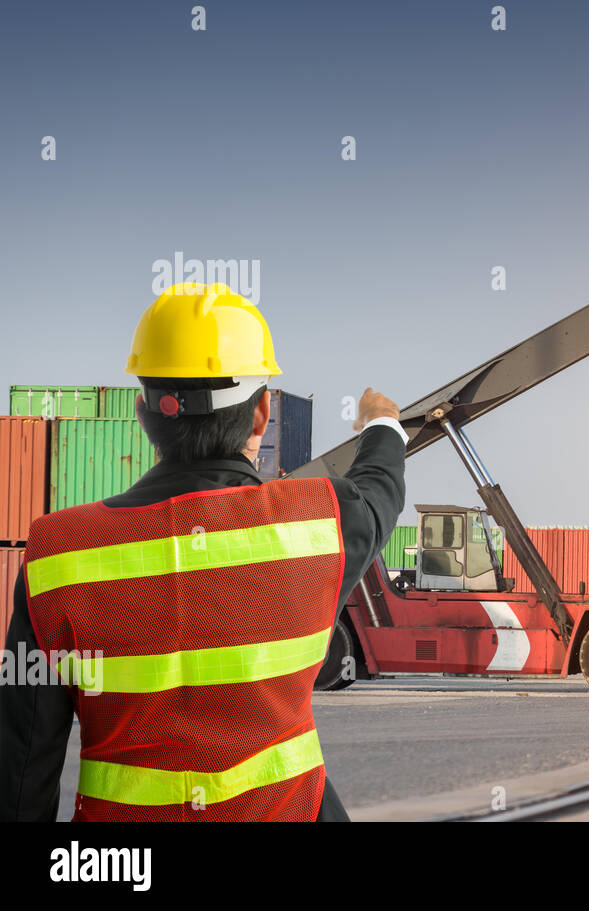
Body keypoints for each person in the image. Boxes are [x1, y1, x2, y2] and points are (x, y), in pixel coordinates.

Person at [0, 283, 406, 821]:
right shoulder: (322, 523)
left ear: (144, 414)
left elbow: (23, 764)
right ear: (262, 415)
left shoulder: (57, 554)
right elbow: (379, 486)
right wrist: (382, 422)